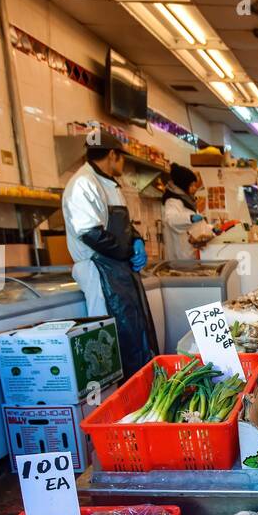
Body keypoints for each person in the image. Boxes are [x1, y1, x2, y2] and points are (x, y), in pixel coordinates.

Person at [62, 131, 160, 378]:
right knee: (115, 339)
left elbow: (123, 225)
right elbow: (91, 234)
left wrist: (136, 239)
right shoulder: (83, 184)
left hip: (119, 271)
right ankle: (121, 400)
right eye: (121, 157)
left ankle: (141, 387)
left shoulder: (109, 184)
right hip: (100, 272)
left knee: (137, 334)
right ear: (113, 155)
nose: (123, 163)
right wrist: (127, 251)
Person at [160, 164, 205, 262]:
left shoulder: (187, 201)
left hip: (190, 255)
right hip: (180, 258)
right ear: (183, 184)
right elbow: (171, 220)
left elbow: (196, 227)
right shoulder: (172, 201)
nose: (194, 188)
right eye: (192, 185)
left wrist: (212, 230)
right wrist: (190, 218)